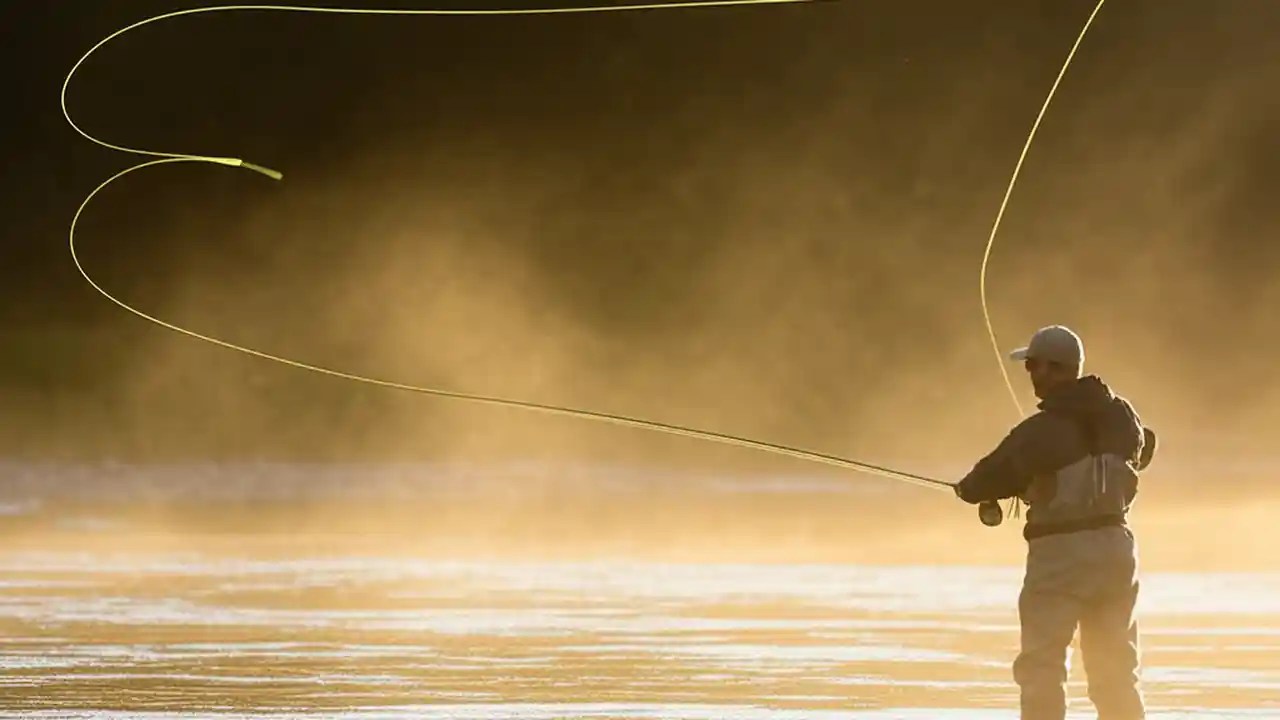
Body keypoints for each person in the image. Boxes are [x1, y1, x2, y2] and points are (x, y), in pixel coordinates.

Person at [954, 325, 1156, 720]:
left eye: (1032, 365)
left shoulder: (1039, 432)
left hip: (1060, 555)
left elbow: (985, 479)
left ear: (1054, 369)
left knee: (1042, 669)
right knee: (1116, 672)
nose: (1029, 374)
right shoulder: (1123, 417)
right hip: (1117, 550)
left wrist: (966, 490)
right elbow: (1146, 446)